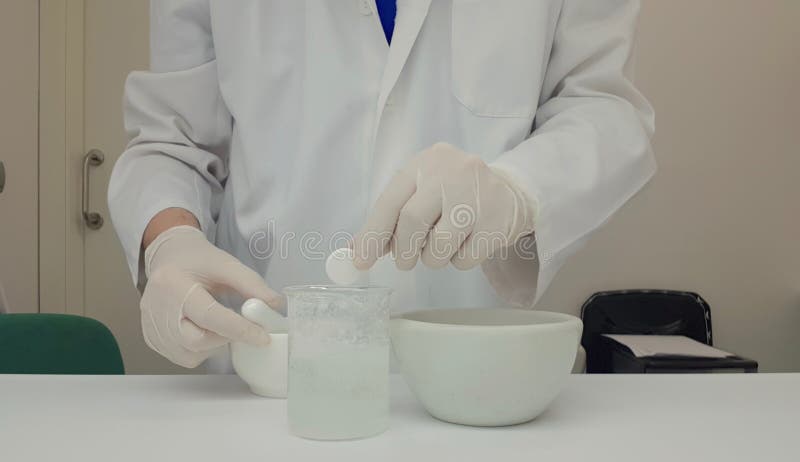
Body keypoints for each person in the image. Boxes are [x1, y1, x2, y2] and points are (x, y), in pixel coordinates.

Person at [109, 0, 655, 371]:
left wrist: (518, 190)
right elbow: (173, 140)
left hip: (474, 375)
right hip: (269, 374)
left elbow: (603, 107)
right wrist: (169, 242)